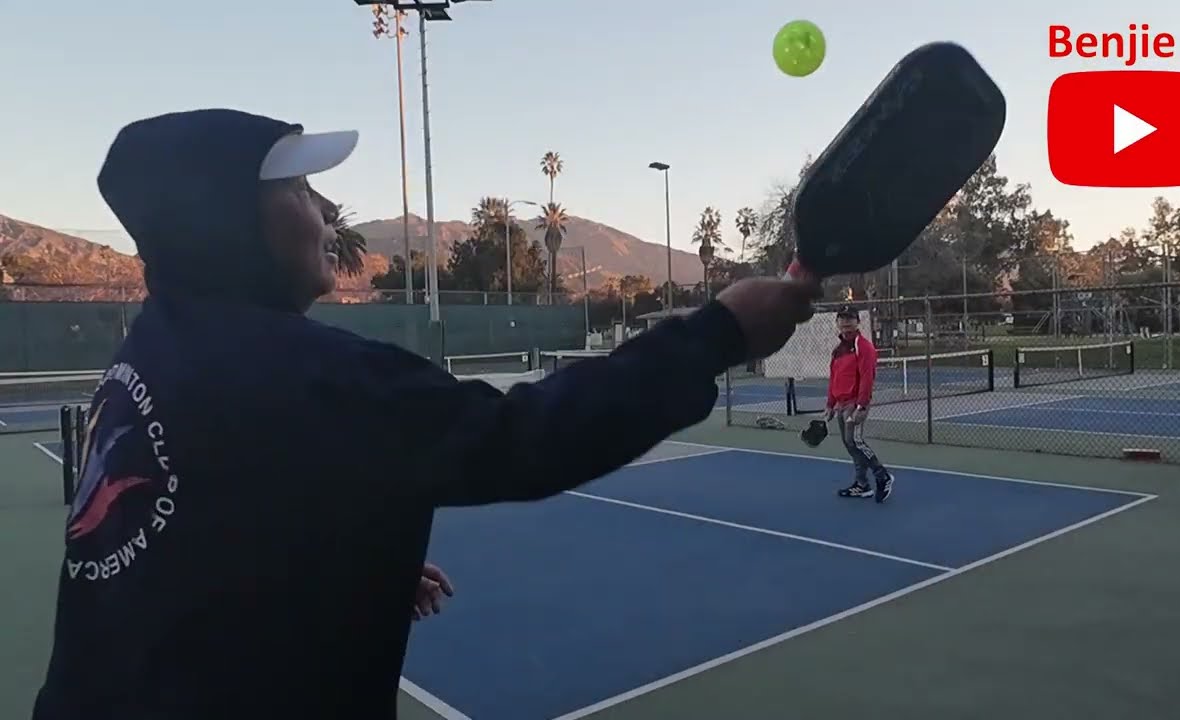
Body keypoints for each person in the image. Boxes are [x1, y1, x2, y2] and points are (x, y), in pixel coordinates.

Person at [32, 109, 819, 720]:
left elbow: (211, 519)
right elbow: (522, 440)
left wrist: (334, 563)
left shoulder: (158, 348)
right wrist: (715, 333)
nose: (325, 213)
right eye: (299, 192)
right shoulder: (298, 375)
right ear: (230, 223)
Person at [824, 306, 894, 502]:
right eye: (842, 318)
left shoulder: (864, 347)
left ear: (858, 322)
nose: (846, 322)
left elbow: (867, 378)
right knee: (849, 444)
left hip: (855, 403)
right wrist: (830, 404)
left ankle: (882, 476)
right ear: (837, 322)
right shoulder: (838, 350)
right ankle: (862, 485)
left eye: (850, 318)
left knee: (856, 441)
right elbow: (834, 378)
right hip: (841, 403)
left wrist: (861, 406)